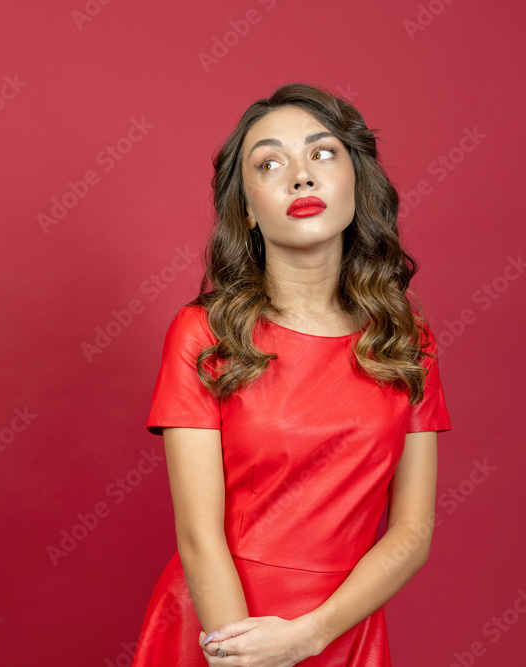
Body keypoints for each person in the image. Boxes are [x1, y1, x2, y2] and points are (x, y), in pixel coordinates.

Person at [130, 82, 452, 666]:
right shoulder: (204, 333)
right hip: (219, 628)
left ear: (357, 181)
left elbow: (411, 532)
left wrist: (312, 634)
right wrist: (239, 653)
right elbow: (199, 538)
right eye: (270, 163)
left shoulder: (407, 342)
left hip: (341, 628)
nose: (300, 177)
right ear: (248, 210)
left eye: (323, 154)